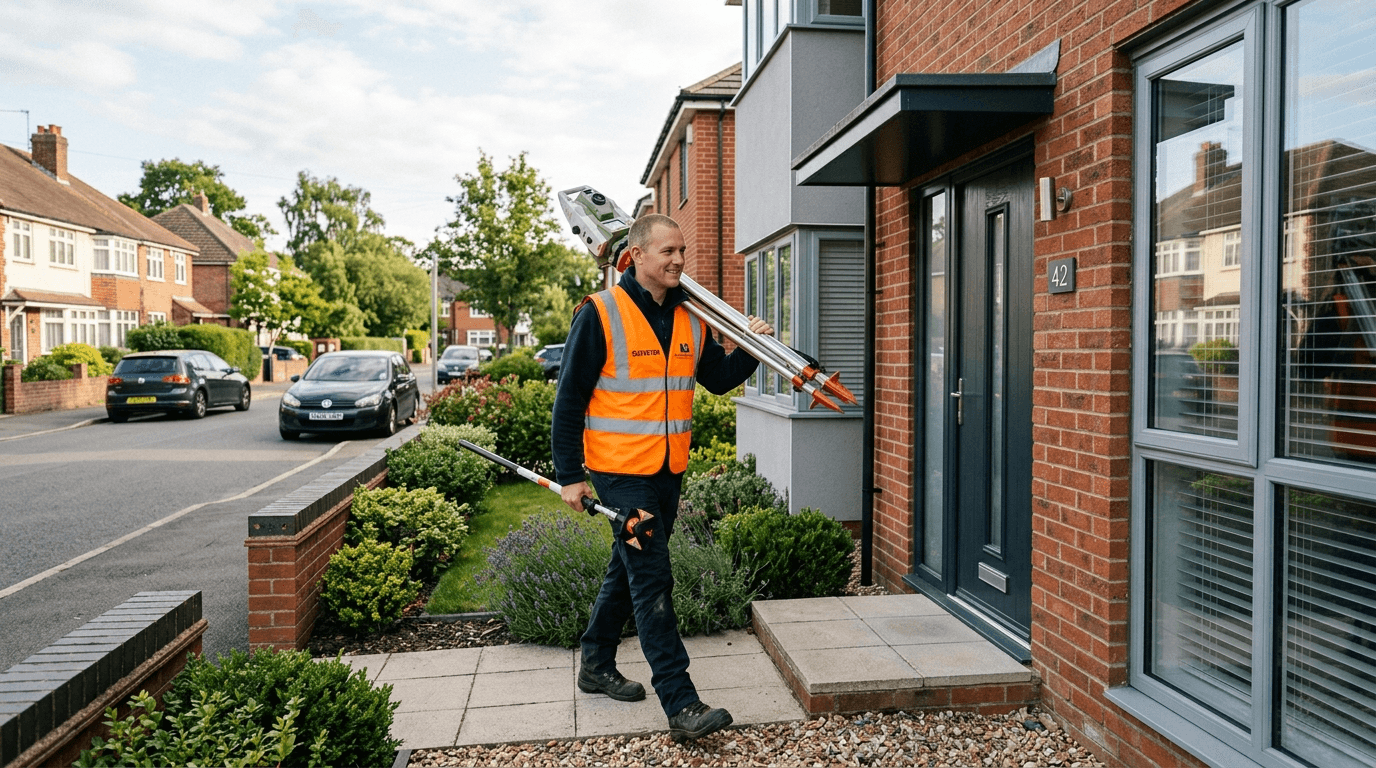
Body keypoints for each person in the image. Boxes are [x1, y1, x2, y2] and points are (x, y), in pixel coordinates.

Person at [551, 213, 772, 742]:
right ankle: (681, 702)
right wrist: (569, 476)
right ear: (637, 256)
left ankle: (596, 662)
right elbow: (569, 401)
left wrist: (749, 349)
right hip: (619, 474)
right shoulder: (601, 313)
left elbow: (716, 381)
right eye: (667, 251)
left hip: (667, 471)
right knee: (652, 575)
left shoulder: (692, 317)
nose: (677, 260)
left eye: (682, 252)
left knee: (627, 566)